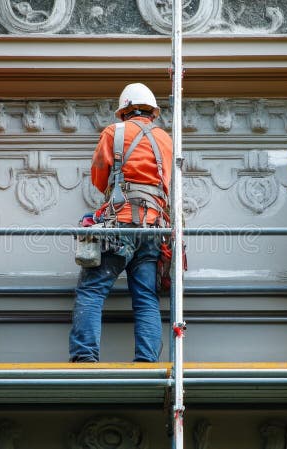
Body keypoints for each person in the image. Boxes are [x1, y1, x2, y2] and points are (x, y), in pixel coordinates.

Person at [69, 83, 173, 363]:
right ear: (152, 112)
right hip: (153, 227)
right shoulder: (166, 139)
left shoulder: (114, 132)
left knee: (92, 290)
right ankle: (147, 361)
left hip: (120, 222)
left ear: (124, 111)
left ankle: (84, 357)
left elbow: (99, 177)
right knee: (146, 297)